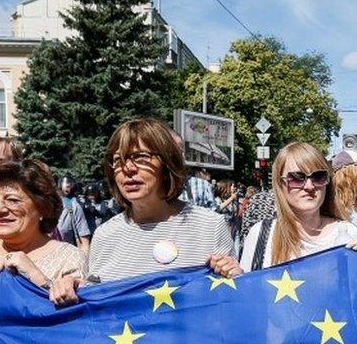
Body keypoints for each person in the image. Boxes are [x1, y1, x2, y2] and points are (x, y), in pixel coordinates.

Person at [49, 118, 236, 304]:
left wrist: (236, 276)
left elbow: (230, 305)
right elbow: (97, 307)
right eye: (117, 160)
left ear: (167, 163)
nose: (128, 168)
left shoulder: (210, 227)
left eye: (141, 157)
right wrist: (74, 287)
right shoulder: (105, 236)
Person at [0, 160, 87, 344]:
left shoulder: (69, 258)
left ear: (42, 207)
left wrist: (36, 277)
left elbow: (79, 326)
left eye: (12, 200)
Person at [238, 143, 357, 271]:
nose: (309, 186)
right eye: (297, 178)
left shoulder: (349, 233)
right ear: (280, 184)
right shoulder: (262, 234)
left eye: (318, 177)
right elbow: (248, 287)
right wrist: (233, 274)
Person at [57, 175, 91, 255]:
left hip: (67, 256)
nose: (66, 189)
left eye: (68, 186)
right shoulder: (47, 204)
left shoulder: (75, 206)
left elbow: (83, 242)